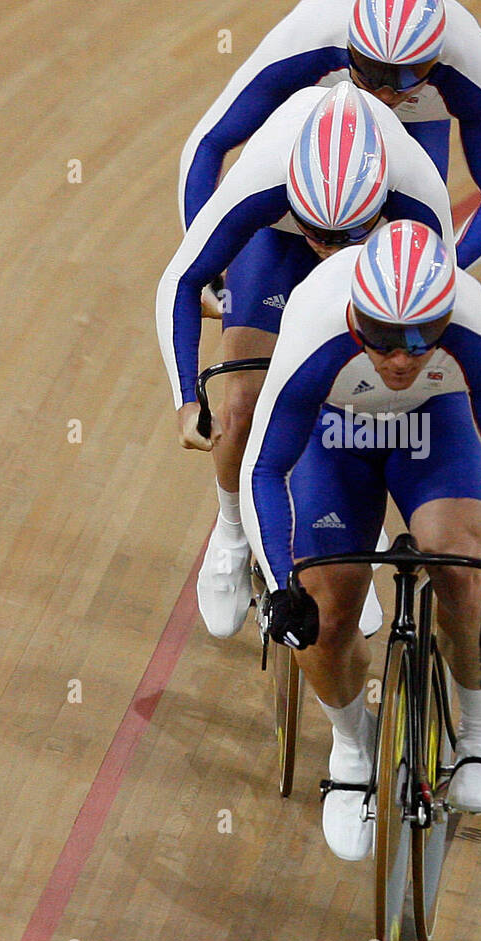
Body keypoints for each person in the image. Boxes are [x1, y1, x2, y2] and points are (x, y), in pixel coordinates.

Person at [240, 221, 481, 860]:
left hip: (435, 430)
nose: (402, 358)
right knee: (323, 615)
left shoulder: (476, 327)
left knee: (464, 571)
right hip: (334, 435)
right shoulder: (315, 330)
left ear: (446, 316)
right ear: (355, 318)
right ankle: (352, 746)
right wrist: (279, 587)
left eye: (421, 339)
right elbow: (263, 467)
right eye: (382, 339)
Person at [156, 81, 455, 637]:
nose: (329, 246)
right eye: (320, 232)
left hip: (373, 264)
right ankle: (230, 532)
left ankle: (351, 539)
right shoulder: (261, 178)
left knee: (367, 401)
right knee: (242, 403)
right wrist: (186, 398)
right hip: (273, 247)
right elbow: (181, 278)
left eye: (344, 233)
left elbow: (439, 303)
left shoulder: (416, 190)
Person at [179, 0, 481, 272]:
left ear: (437, 59)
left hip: (413, 129)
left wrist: (435, 281)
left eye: (407, 76)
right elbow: (210, 142)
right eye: (370, 72)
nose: (385, 95)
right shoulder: (309, 37)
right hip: (316, 127)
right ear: (349, 47)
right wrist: (203, 268)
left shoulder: (472, 66)